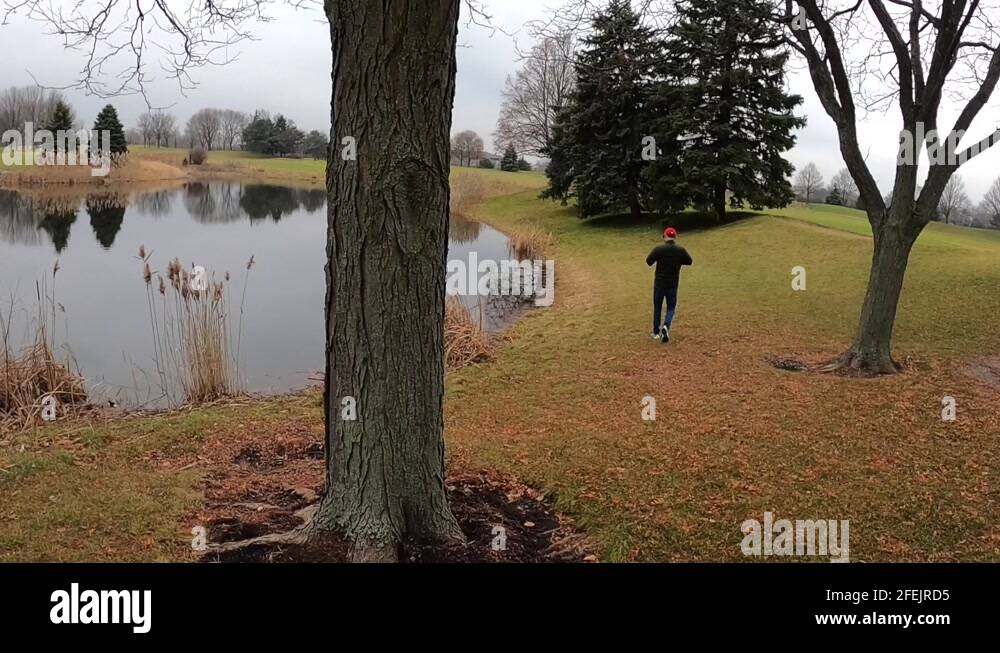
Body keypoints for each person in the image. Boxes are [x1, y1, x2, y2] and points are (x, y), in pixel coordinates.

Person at [645, 227, 692, 343]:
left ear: (664, 236)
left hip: (660, 283)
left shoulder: (659, 249)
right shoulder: (680, 250)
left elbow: (649, 261)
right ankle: (666, 325)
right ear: (675, 237)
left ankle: (656, 332)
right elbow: (689, 261)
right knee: (671, 307)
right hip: (673, 283)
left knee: (657, 307)